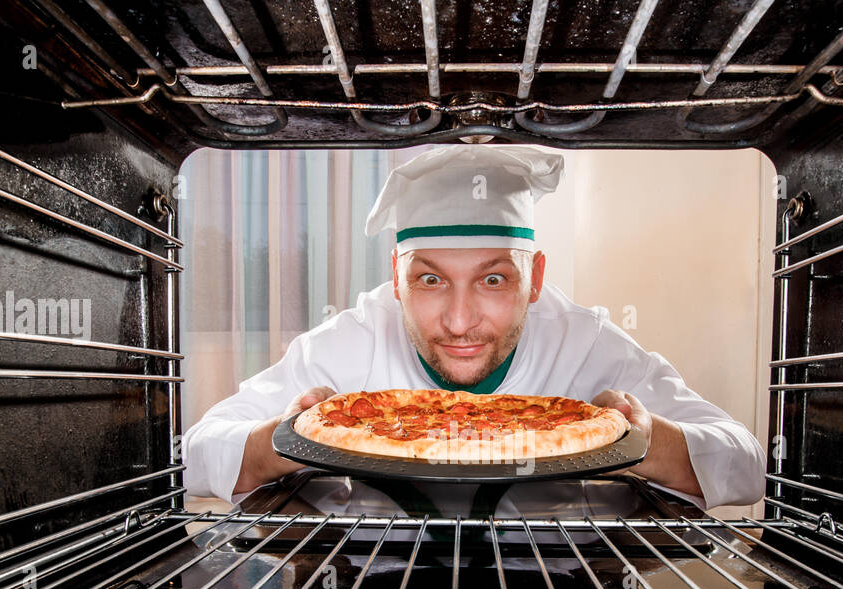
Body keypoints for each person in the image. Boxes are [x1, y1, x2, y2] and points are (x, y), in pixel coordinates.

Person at [183, 145, 765, 509]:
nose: (460, 323)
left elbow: (747, 465)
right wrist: (283, 444)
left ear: (535, 277)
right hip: (371, 588)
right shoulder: (349, 338)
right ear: (395, 276)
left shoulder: (587, 341)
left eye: (494, 280)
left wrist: (642, 439)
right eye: (430, 281)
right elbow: (197, 454)